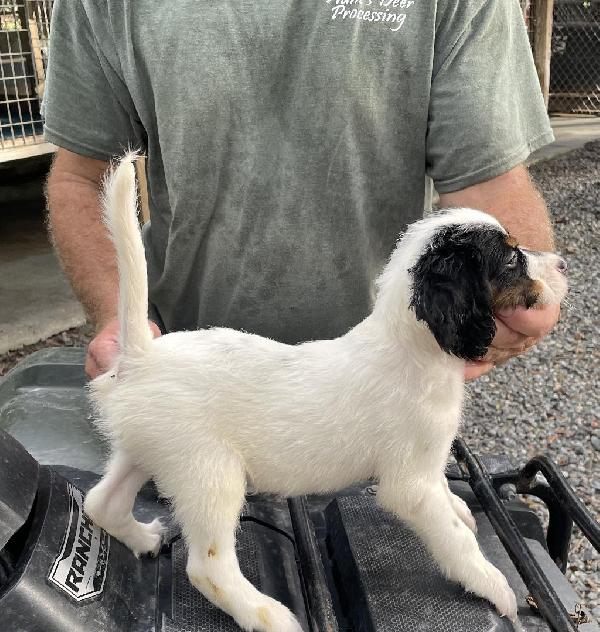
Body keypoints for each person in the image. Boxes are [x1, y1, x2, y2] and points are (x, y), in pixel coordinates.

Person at [43, 0, 561, 381]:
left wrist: (518, 293)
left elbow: (488, 178)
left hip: (381, 374)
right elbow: (82, 179)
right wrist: (121, 318)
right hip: (188, 371)